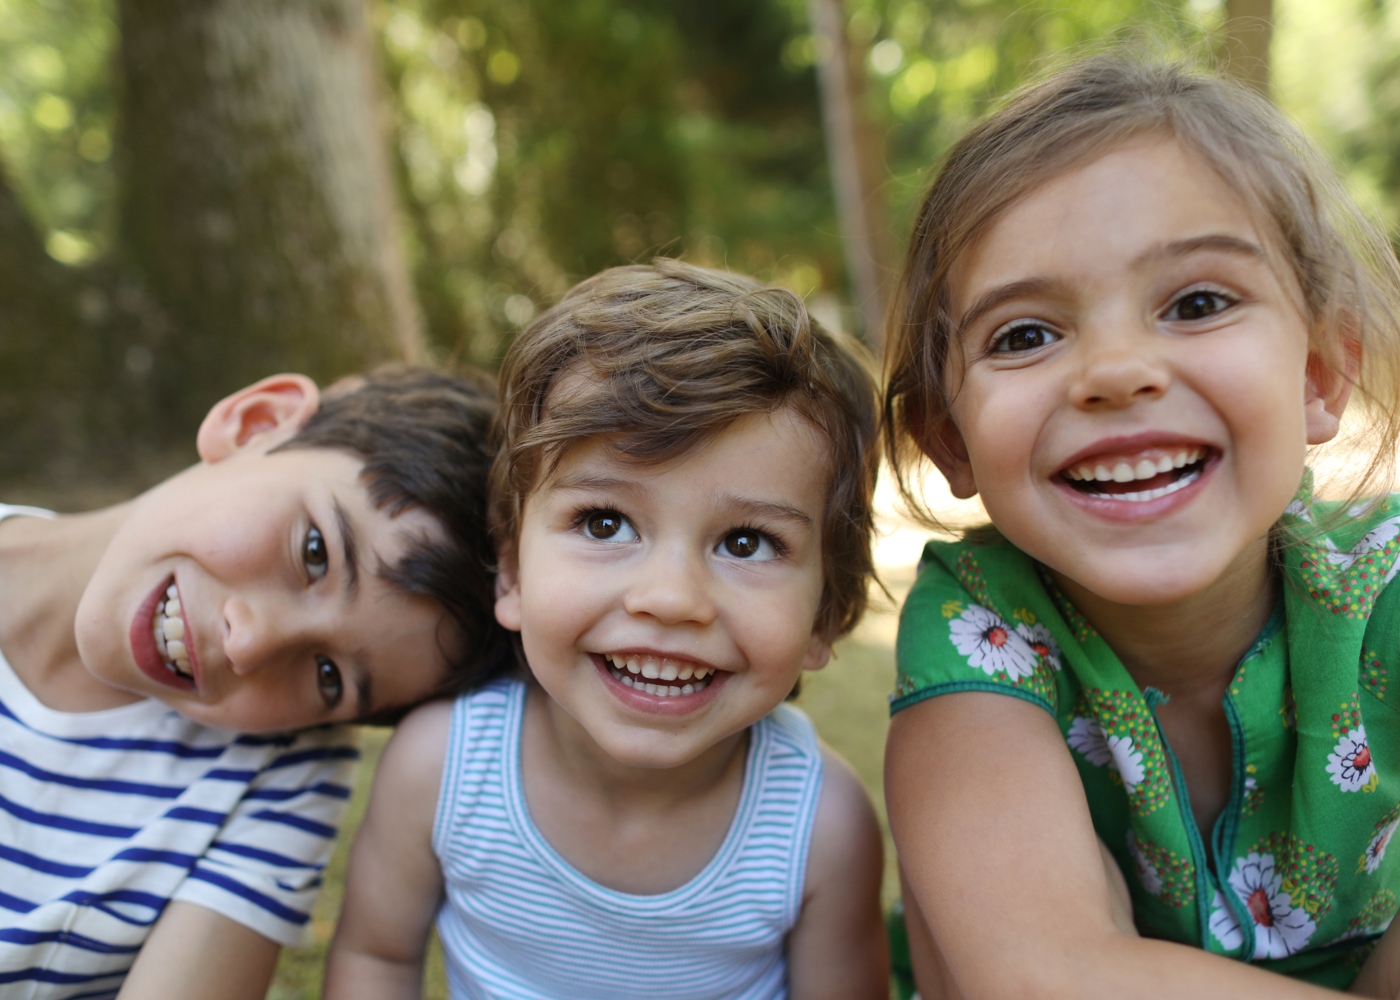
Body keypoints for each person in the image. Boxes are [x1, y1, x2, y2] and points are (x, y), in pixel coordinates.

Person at [880, 53, 1400, 998]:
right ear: (949, 438)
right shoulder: (981, 628)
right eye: (1025, 334)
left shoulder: (1389, 590)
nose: (1117, 372)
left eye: (1198, 304)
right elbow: (1049, 977)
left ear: (1319, 373)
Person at [324, 259, 889, 999]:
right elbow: (376, 960)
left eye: (745, 542)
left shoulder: (819, 827)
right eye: (605, 522)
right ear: (513, 571)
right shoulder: (442, 771)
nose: (671, 599)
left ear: (826, 612)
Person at [0, 365, 504, 999]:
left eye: (328, 676)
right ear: (257, 423)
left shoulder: (276, 777)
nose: (250, 643)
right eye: (315, 551)